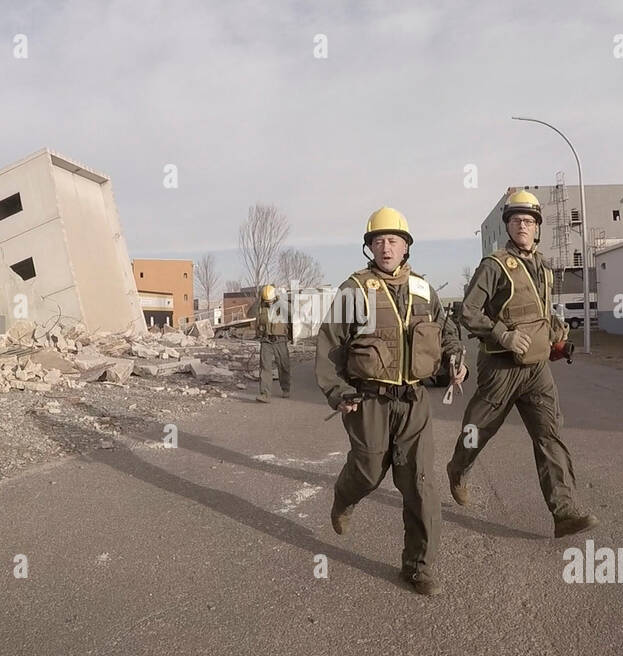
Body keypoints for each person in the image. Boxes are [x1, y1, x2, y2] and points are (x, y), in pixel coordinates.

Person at [316, 207, 466, 595]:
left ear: (406, 247)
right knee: (367, 472)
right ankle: (344, 499)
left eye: (393, 240)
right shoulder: (354, 289)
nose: (386, 247)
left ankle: (418, 567)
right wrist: (337, 393)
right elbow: (330, 344)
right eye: (378, 240)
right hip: (368, 401)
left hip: (414, 401)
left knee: (419, 484)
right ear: (369, 247)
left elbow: (448, 334)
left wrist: (454, 359)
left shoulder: (423, 289)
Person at [446, 190, 598, 538]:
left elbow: (541, 314)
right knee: (477, 432)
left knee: (550, 435)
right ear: (508, 227)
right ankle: (458, 468)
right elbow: (468, 311)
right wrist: (503, 335)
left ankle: (564, 511)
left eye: (528, 221)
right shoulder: (494, 266)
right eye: (516, 221)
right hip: (500, 369)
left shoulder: (543, 267)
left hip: (536, 370)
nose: (522, 226)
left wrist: (557, 340)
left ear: (537, 227)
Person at [255, 284, 292, 402]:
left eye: (270, 300)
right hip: (266, 340)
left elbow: (292, 313)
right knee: (265, 367)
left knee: (283, 366)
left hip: (280, 339)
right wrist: (259, 302)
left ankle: (286, 388)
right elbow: (250, 314)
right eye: (267, 301)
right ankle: (265, 394)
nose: (269, 303)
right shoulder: (261, 307)